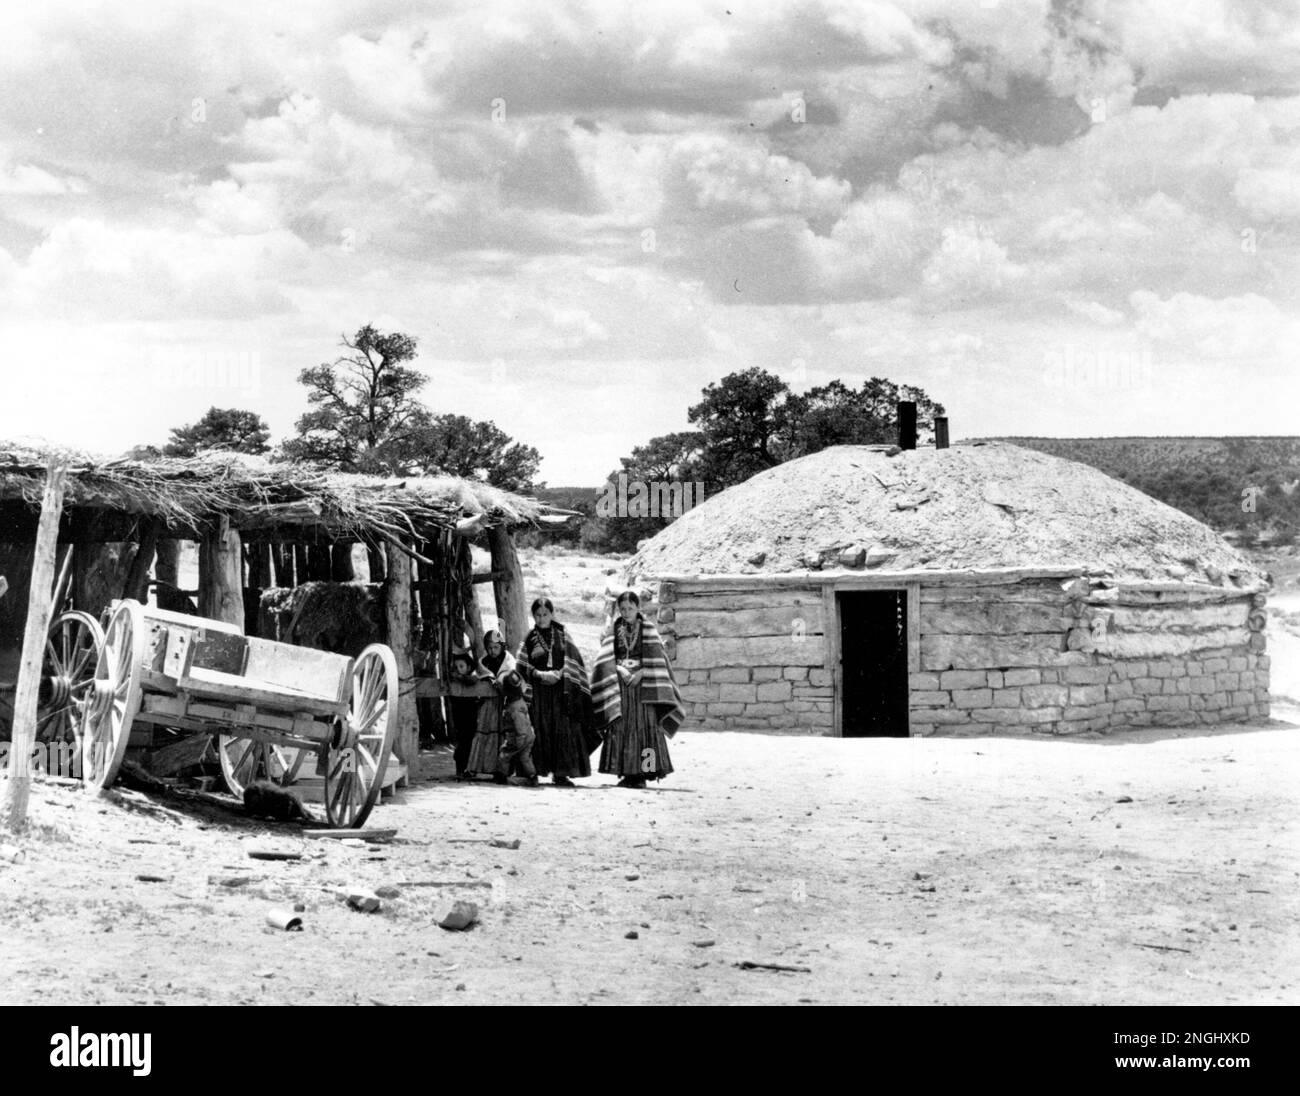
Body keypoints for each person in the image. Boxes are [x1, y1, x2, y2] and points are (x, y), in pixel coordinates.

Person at [591, 590, 685, 788]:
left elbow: (657, 659)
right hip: (622, 686)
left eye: (630, 608)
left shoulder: (648, 629)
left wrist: (641, 673)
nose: (626, 612)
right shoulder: (614, 629)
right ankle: (627, 773)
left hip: (644, 685)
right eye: (622, 609)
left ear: (638, 608)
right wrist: (620, 670)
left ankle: (645, 773)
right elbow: (607, 658)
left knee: (645, 727)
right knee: (622, 726)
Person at [514, 597, 596, 787]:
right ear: (533, 616)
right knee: (539, 729)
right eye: (537, 615)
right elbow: (521, 665)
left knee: (562, 729)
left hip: (561, 692)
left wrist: (559, 673)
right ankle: (533, 772)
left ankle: (561, 774)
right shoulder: (530, 637)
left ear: (552, 614)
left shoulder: (563, 634)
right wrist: (539, 673)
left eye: (545, 614)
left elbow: (573, 660)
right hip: (539, 694)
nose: (541, 618)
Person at [465, 629, 515, 779]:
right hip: (487, 704)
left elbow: (512, 676)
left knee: (501, 735)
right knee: (483, 732)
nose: (493, 651)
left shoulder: (509, 660)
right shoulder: (483, 662)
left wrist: (501, 681)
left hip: (503, 703)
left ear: (502, 646)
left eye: (496, 647)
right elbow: (478, 674)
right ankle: (477, 767)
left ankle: (501, 770)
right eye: (490, 648)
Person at [495, 670, 538, 786]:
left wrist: (519, 741)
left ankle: (502, 776)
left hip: (519, 737)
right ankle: (532, 776)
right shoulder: (519, 701)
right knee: (525, 757)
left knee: (505, 754)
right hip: (528, 736)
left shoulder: (514, 708)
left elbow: (520, 726)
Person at [446, 649, 481, 780]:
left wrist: (460, 677)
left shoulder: (470, 679)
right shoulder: (454, 681)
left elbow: (472, 680)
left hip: (471, 716)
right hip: (459, 716)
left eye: (461, 666)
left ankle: (467, 768)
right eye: (456, 667)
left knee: (469, 742)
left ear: (469, 668)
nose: (458, 669)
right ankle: (460, 769)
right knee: (462, 742)